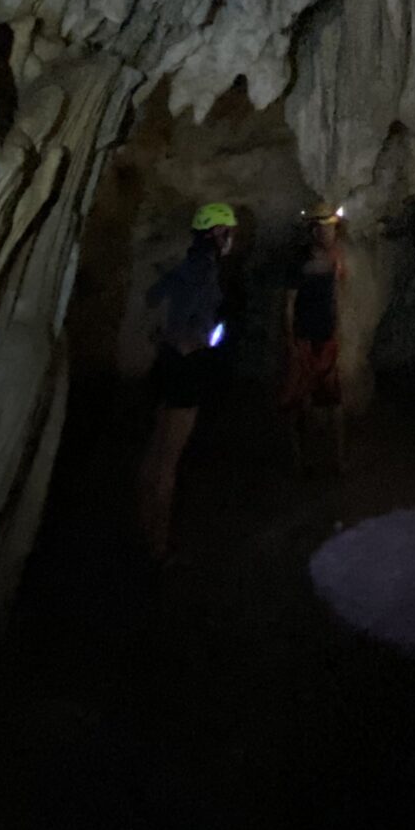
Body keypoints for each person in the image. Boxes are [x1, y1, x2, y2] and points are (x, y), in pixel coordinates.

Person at [137, 201, 237, 562]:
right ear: (214, 232)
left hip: (165, 365)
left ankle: (144, 526)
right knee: (170, 458)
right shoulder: (205, 271)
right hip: (185, 367)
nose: (230, 239)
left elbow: (153, 299)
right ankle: (157, 543)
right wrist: (207, 340)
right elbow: (193, 328)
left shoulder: (184, 265)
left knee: (156, 449)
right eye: (227, 232)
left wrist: (164, 338)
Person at [282, 202, 347, 474]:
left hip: (326, 337)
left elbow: (336, 297)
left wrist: (338, 329)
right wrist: (290, 340)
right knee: (299, 403)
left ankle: (337, 460)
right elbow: (289, 302)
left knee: (333, 403)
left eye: (330, 228)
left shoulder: (335, 260)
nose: (325, 233)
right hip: (304, 337)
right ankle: (300, 461)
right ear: (312, 230)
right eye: (321, 228)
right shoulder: (300, 260)